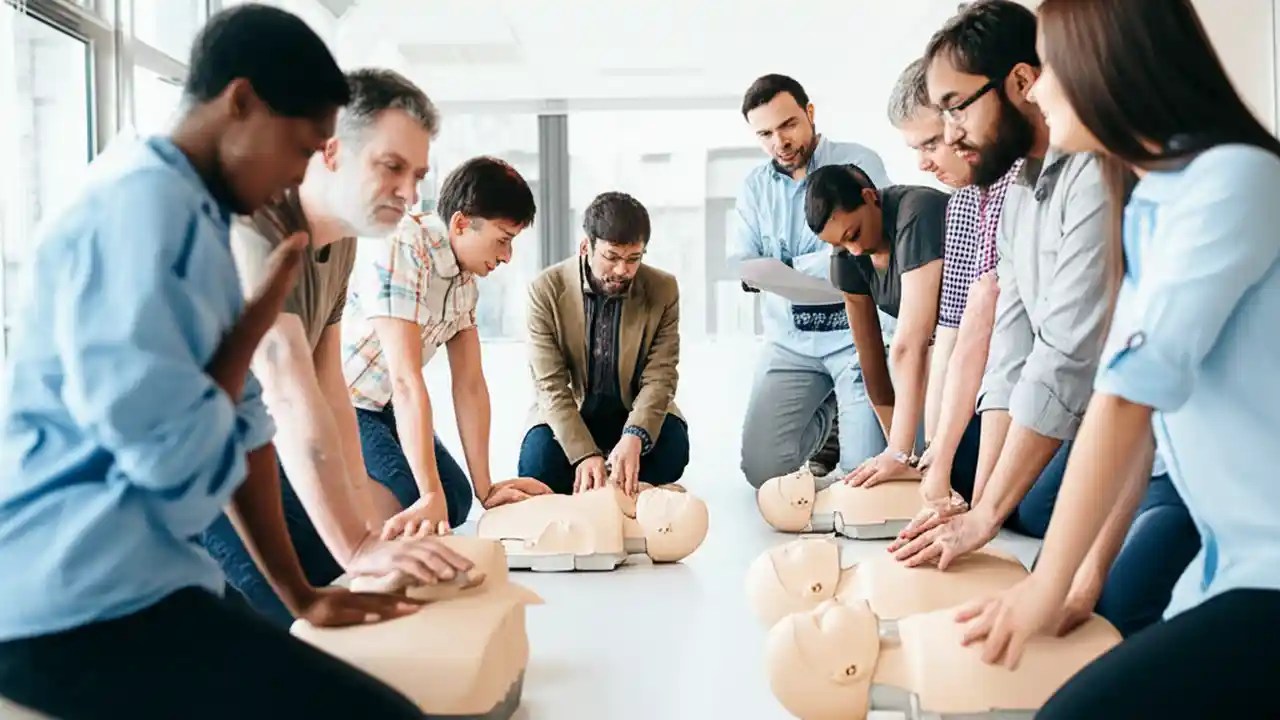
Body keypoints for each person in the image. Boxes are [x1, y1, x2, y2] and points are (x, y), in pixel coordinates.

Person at [0, 6, 468, 717]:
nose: (297, 174)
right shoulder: (140, 208)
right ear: (241, 103)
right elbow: (172, 460)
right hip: (69, 603)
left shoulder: (196, 210)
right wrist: (255, 323)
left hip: (148, 578)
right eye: (298, 147)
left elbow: (246, 428)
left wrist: (303, 594)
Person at [956, 2, 1280, 716]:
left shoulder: (1234, 180)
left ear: (1107, 63)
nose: (1036, 89)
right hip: (1231, 575)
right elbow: (1134, 407)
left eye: (1050, 66)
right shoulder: (1151, 197)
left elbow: (1127, 399)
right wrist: (1073, 576)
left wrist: (1045, 587)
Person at [889, 0, 1199, 639]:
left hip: (1173, 464)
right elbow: (1013, 354)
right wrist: (981, 510)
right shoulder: (1019, 194)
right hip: (1139, 444)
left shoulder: (1111, 178)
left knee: (1102, 611)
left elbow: (1076, 365)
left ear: (1025, 83)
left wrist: (1001, 524)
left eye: (955, 109)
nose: (948, 137)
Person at [201, 67, 468, 628]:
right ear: (329, 149)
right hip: (187, 487)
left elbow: (330, 393)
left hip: (245, 455)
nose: (411, 193)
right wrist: (359, 550)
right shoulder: (257, 229)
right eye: (391, 167)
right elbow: (292, 397)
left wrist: (365, 539)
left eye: (418, 174)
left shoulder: (341, 242)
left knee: (342, 573)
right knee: (311, 627)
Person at [343, 155, 551, 537]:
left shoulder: (464, 283)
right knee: (415, 499)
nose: (507, 256)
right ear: (460, 223)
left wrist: (485, 488)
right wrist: (425, 493)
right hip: (346, 403)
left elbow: (469, 384)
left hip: (386, 406)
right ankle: (319, 497)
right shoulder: (405, 245)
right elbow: (406, 380)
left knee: (455, 499)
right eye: (503, 240)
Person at [730, 73, 894, 487]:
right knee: (763, 473)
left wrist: (789, 268)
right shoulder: (753, 189)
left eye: (787, 125)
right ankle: (829, 413)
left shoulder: (858, 164)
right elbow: (746, 264)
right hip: (790, 344)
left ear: (810, 114)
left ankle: (845, 419)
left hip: (854, 341)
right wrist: (822, 262)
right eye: (765, 133)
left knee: (865, 476)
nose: (779, 142)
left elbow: (873, 248)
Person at [887, 56, 1022, 506]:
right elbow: (951, 338)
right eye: (917, 150)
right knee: (960, 474)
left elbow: (1007, 348)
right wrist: (933, 455)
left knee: (1020, 501)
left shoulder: (1020, 185)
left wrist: (981, 504)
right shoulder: (962, 204)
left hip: (1036, 390)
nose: (926, 163)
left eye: (931, 144)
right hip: (993, 390)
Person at [519, 192, 688, 496]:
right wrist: (584, 453)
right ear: (586, 247)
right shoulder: (544, 290)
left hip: (631, 410)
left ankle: (612, 475)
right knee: (537, 465)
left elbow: (661, 377)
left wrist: (635, 436)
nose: (623, 270)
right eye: (612, 257)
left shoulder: (663, 289)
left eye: (633, 259)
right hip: (573, 411)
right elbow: (551, 385)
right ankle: (611, 478)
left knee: (674, 449)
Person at [804, 165, 948, 487]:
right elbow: (872, 366)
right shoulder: (847, 256)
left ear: (870, 198)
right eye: (840, 244)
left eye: (853, 234)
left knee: (954, 472)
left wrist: (897, 452)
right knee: (905, 469)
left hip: (975, 349)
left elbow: (911, 342)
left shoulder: (917, 213)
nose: (853, 250)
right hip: (936, 357)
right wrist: (901, 456)